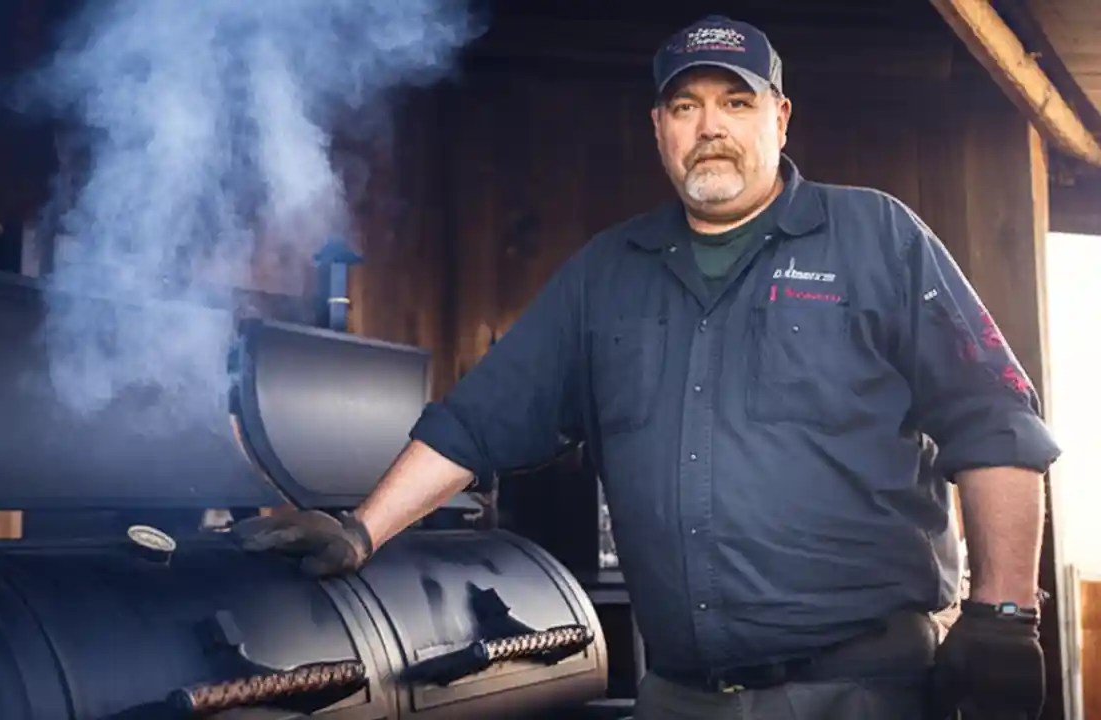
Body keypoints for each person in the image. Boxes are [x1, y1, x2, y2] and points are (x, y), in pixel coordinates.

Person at [233, 14, 1061, 720]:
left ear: (780, 118)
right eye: (686, 105)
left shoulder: (878, 237)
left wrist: (1006, 611)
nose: (711, 126)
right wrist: (360, 528)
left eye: (737, 102)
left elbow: (994, 420)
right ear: (658, 128)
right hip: (679, 694)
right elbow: (481, 417)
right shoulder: (607, 272)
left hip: (861, 689)